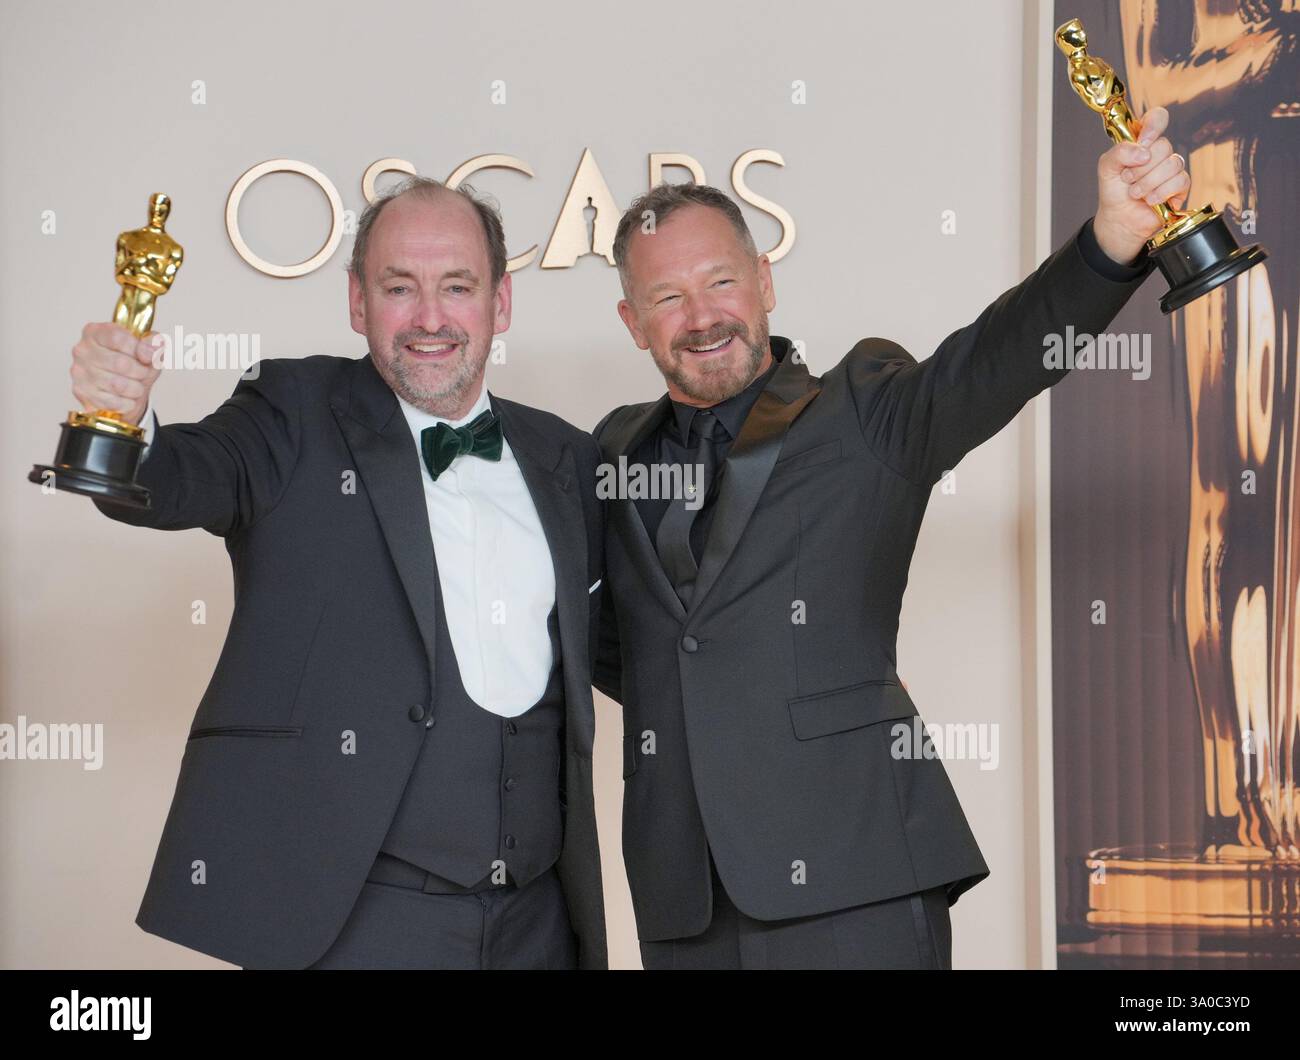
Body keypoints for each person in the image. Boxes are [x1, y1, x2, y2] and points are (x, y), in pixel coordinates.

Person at [593, 108, 1189, 969]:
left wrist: (1110, 241)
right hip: (684, 895)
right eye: (666, 297)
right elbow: (625, 645)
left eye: (720, 282)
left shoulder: (865, 409)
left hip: (855, 873)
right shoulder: (612, 452)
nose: (701, 316)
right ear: (631, 320)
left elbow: (998, 358)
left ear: (765, 281)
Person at [71, 176, 607, 969]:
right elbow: (178, 478)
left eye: (457, 286)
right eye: (400, 287)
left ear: (501, 303)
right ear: (358, 303)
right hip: (352, 925)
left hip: (539, 924)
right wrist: (118, 426)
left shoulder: (567, 455)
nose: (430, 317)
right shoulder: (289, 412)